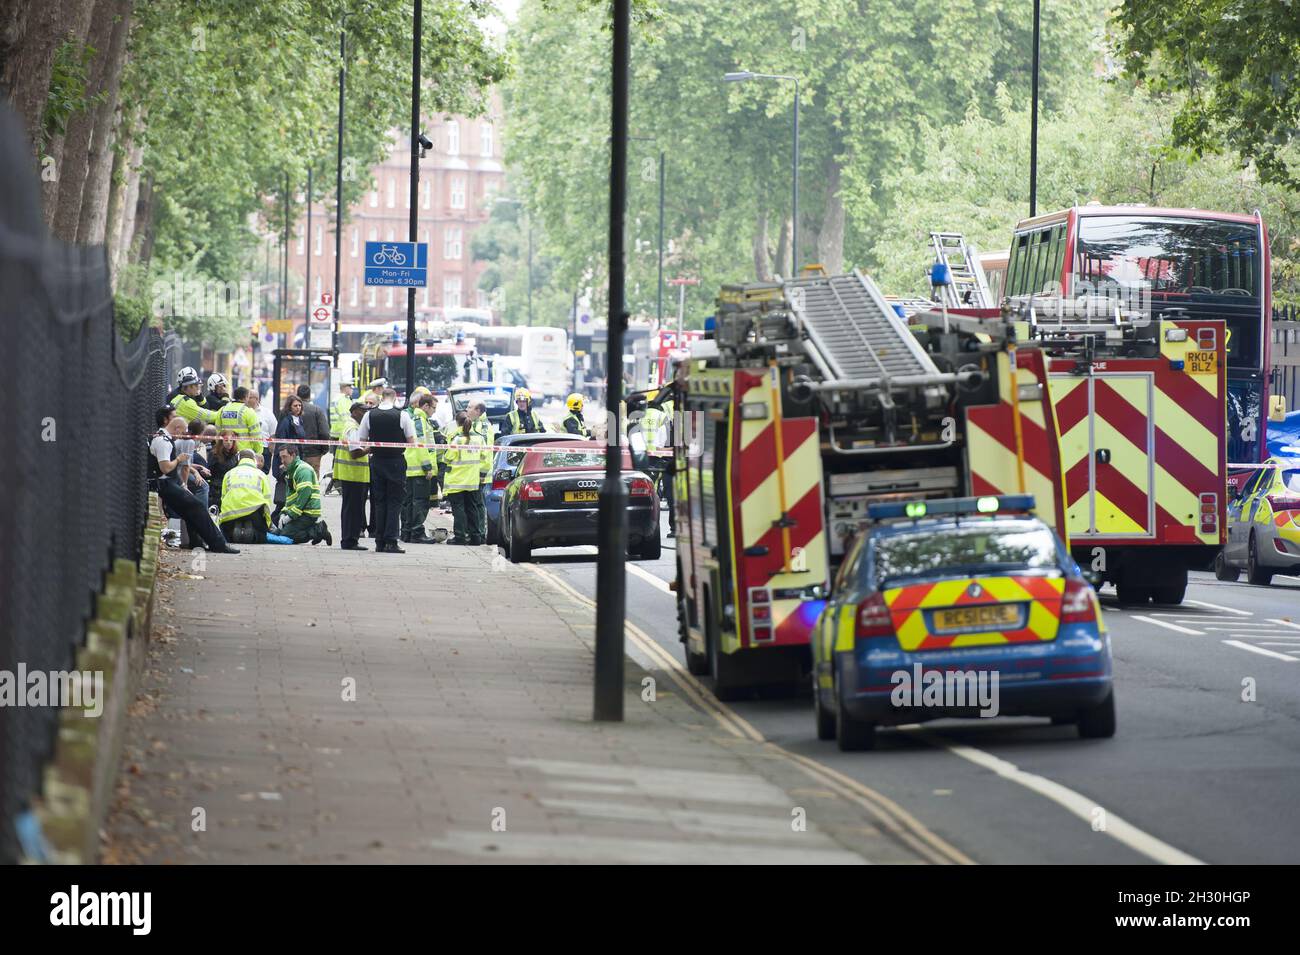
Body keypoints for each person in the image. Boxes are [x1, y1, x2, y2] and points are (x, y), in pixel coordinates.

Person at [148, 407, 239, 554]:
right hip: (164, 484)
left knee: (191, 509)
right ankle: (218, 544)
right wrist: (179, 459)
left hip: (167, 483)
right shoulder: (162, 441)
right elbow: (165, 468)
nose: (183, 433)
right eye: (181, 430)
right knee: (197, 507)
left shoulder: (162, 438)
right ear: (173, 424)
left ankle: (196, 542)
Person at [355, 387, 416, 553]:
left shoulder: (370, 414)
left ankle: (379, 540)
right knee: (395, 502)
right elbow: (411, 442)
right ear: (395, 398)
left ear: (382, 398)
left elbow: (362, 440)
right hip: (396, 462)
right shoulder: (402, 415)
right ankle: (391, 541)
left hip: (377, 462)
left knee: (379, 501)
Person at [443, 412, 486, 545]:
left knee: (459, 509)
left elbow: (447, 458)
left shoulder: (457, 439)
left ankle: (460, 537)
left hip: (457, 481)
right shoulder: (479, 439)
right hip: (472, 481)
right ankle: (476, 537)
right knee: (472, 508)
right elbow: (485, 457)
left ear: (457, 423)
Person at [275, 445, 332, 544]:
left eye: (284, 457)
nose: (282, 461)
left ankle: (318, 530)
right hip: (300, 512)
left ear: (292, 455)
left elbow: (303, 498)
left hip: (308, 512)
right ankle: (313, 530)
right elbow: (290, 498)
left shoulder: (302, 470)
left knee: (286, 537)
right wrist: (283, 513)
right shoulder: (290, 471)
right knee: (279, 533)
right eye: (281, 457)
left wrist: (290, 516)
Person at [401, 392, 438, 544]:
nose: (434, 411)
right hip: (419, 469)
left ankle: (407, 532)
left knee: (410, 502)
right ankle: (417, 532)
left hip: (412, 468)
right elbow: (421, 444)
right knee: (420, 502)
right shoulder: (420, 420)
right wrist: (427, 467)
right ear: (425, 406)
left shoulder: (417, 419)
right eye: (433, 408)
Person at [219, 450, 276, 543]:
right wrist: (268, 523)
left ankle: (232, 534)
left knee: (225, 533)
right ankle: (253, 535)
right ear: (254, 460)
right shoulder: (260, 474)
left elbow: (223, 497)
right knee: (261, 535)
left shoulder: (229, 474)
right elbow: (267, 500)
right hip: (254, 513)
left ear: (238, 459)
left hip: (231, 513)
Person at [336, 401, 371, 550]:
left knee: (350, 509)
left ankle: (349, 539)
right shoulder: (353, 428)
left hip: (352, 475)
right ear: (355, 411)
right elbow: (355, 452)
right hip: (353, 475)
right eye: (364, 411)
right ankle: (350, 540)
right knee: (353, 510)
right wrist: (369, 449)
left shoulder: (351, 426)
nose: (365, 414)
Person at [271, 394, 306, 524]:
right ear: (289, 407)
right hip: (286, 462)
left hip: (296, 460)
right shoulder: (286, 421)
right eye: (295, 405)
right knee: (283, 501)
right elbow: (281, 444)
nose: (298, 408)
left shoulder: (299, 420)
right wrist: (283, 464)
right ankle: (273, 523)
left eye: (299, 405)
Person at [468, 401, 495, 542]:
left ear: (478, 411)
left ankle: (479, 534)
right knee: (475, 503)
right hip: (474, 472)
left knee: (478, 504)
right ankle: (475, 533)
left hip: (480, 474)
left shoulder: (483, 426)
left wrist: (482, 473)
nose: (467, 410)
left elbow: (485, 452)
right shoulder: (476, 423)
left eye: (470, 407)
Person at [218, 386, 264, 467]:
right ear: (246, 397)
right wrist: (259, 452)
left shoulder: (223, 410)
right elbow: (256, 436)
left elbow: (218, 431)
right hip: (243, 454)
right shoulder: (248, 412)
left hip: (225, 453)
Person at [295, 383, 330, 477]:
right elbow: (324, 433)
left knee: (296, 478)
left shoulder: (291, 410)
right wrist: (324, 450)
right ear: (309, 396)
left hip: (294, 453)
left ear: (297, 395)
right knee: (312, 479)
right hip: (313, 453)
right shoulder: (317, 411)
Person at [207, 429, 242, 514]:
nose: (229, 442)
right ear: (221, 441)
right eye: (226, 440)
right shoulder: (214, 455)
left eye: (231, 440)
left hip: (231, 489)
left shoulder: (236, 455)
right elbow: (210, 472)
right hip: (217, 489)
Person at [247, 388, 276, 474]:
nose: (247, 399)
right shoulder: (243, 411)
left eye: (249, 397)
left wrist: (271, 446)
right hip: (247, 448)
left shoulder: (267, 413)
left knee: (262, 474)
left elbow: (273, 431)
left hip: (264, 449)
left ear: (256, 399)